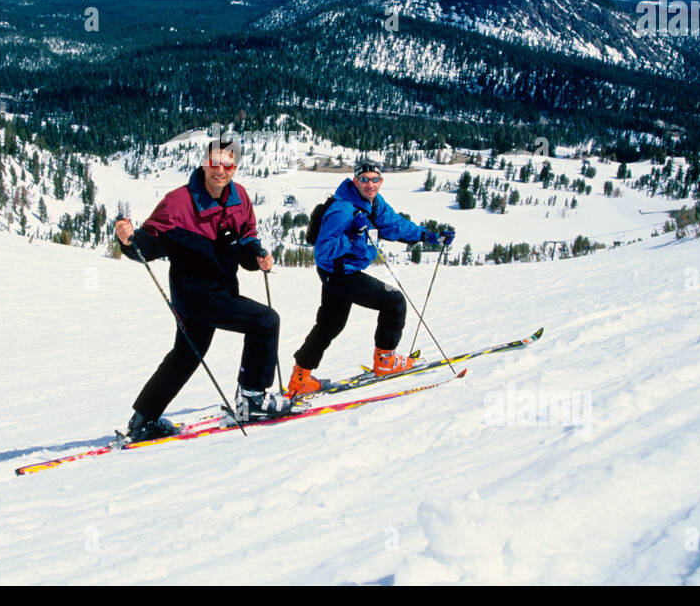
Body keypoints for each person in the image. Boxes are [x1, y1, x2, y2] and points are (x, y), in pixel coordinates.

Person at [115, 137, 292, 440]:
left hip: (222, 289)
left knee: (186, 355)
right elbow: (149, 243)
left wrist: (258, 256)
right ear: (203, 163)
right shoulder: (178, 203)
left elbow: (247, 241)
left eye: (227, 164)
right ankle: (251, 400)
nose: (219, 170)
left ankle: (143, 420)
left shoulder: (240, 200)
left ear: (235, 167)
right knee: (265, 321)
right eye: (214, 162)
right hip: (194, 294)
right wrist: (128, 239)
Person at [287, 158, 454, 396]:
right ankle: (385, 361)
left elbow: (395, 225)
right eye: (364, 179)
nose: (370, 184)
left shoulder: (374, 203)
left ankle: (300, 376)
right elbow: (323, 250)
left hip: (338, 272)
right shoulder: (342, 210)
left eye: (375, 179)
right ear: (355, 180)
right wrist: (354, 236)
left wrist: (429, 236)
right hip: (340, 272)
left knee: (330, 324)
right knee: (393, 301)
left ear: (381, 181)